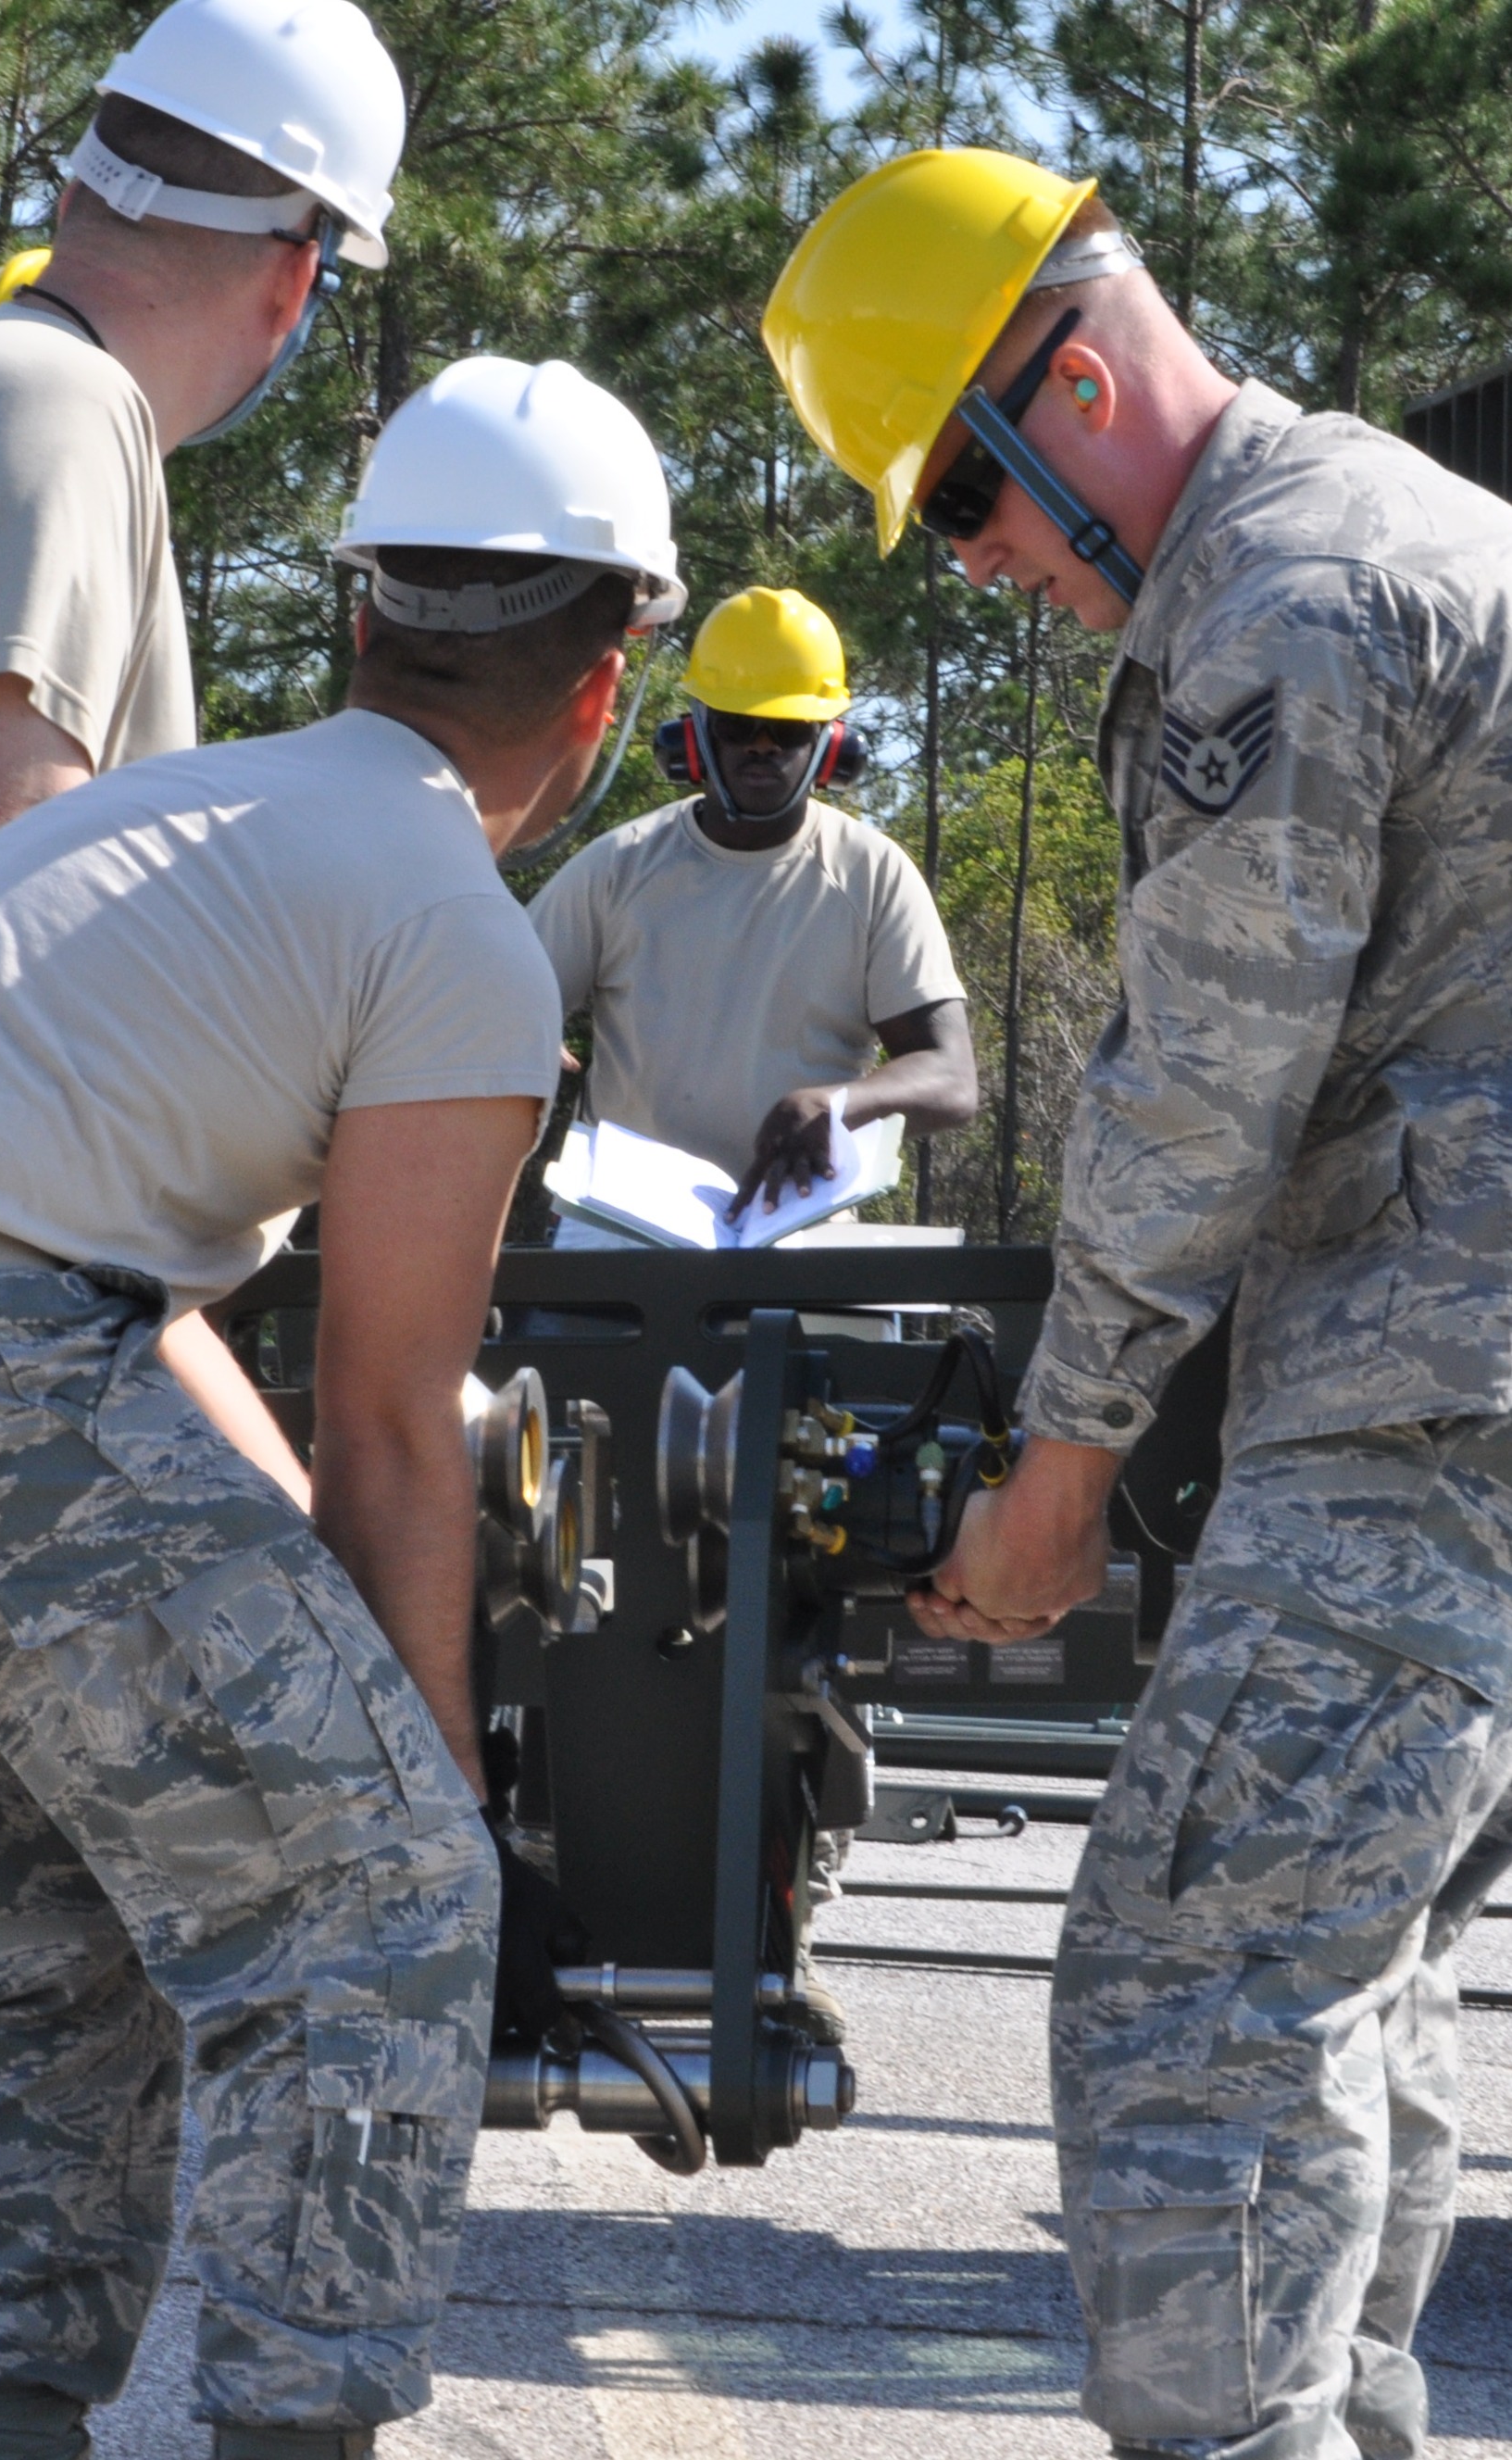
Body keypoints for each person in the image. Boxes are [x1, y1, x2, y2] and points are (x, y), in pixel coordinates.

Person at [766, 144, 1512, 2460]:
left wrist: (1059, 1470)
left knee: (1186, 1989)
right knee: (1336, 1966)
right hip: (1458, 1397)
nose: (985, 575)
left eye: (969, 514)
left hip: (1430, 1403)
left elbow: (1200, 1087)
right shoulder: (1421, 529)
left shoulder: (1281, 599)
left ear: (1069, 387)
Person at [0, 350, 683, 2460]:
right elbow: (390, 1422)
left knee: (38, 1895)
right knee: (385, 1885)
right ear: (609, 691)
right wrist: (422, 1758)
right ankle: (290, 2430)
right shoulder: (449, 921)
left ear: (361, 620)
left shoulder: (179, 818)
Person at [0, 0, 406, 1523]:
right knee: (331, 1739)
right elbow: (12, 887)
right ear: (296, 272)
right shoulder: (56, 405)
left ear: (77, 189)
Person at [527, 584, 976, 1229]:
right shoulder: (617, 867)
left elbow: (952, 1079)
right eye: (740, 725)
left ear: (831, 744)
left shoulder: (873, 874)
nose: (762, 746)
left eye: (788, 728)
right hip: (622, 1238)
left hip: (796, 1233)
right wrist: (517, 1035)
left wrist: (838, 1103)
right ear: (695, 734)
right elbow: (488, 1010)